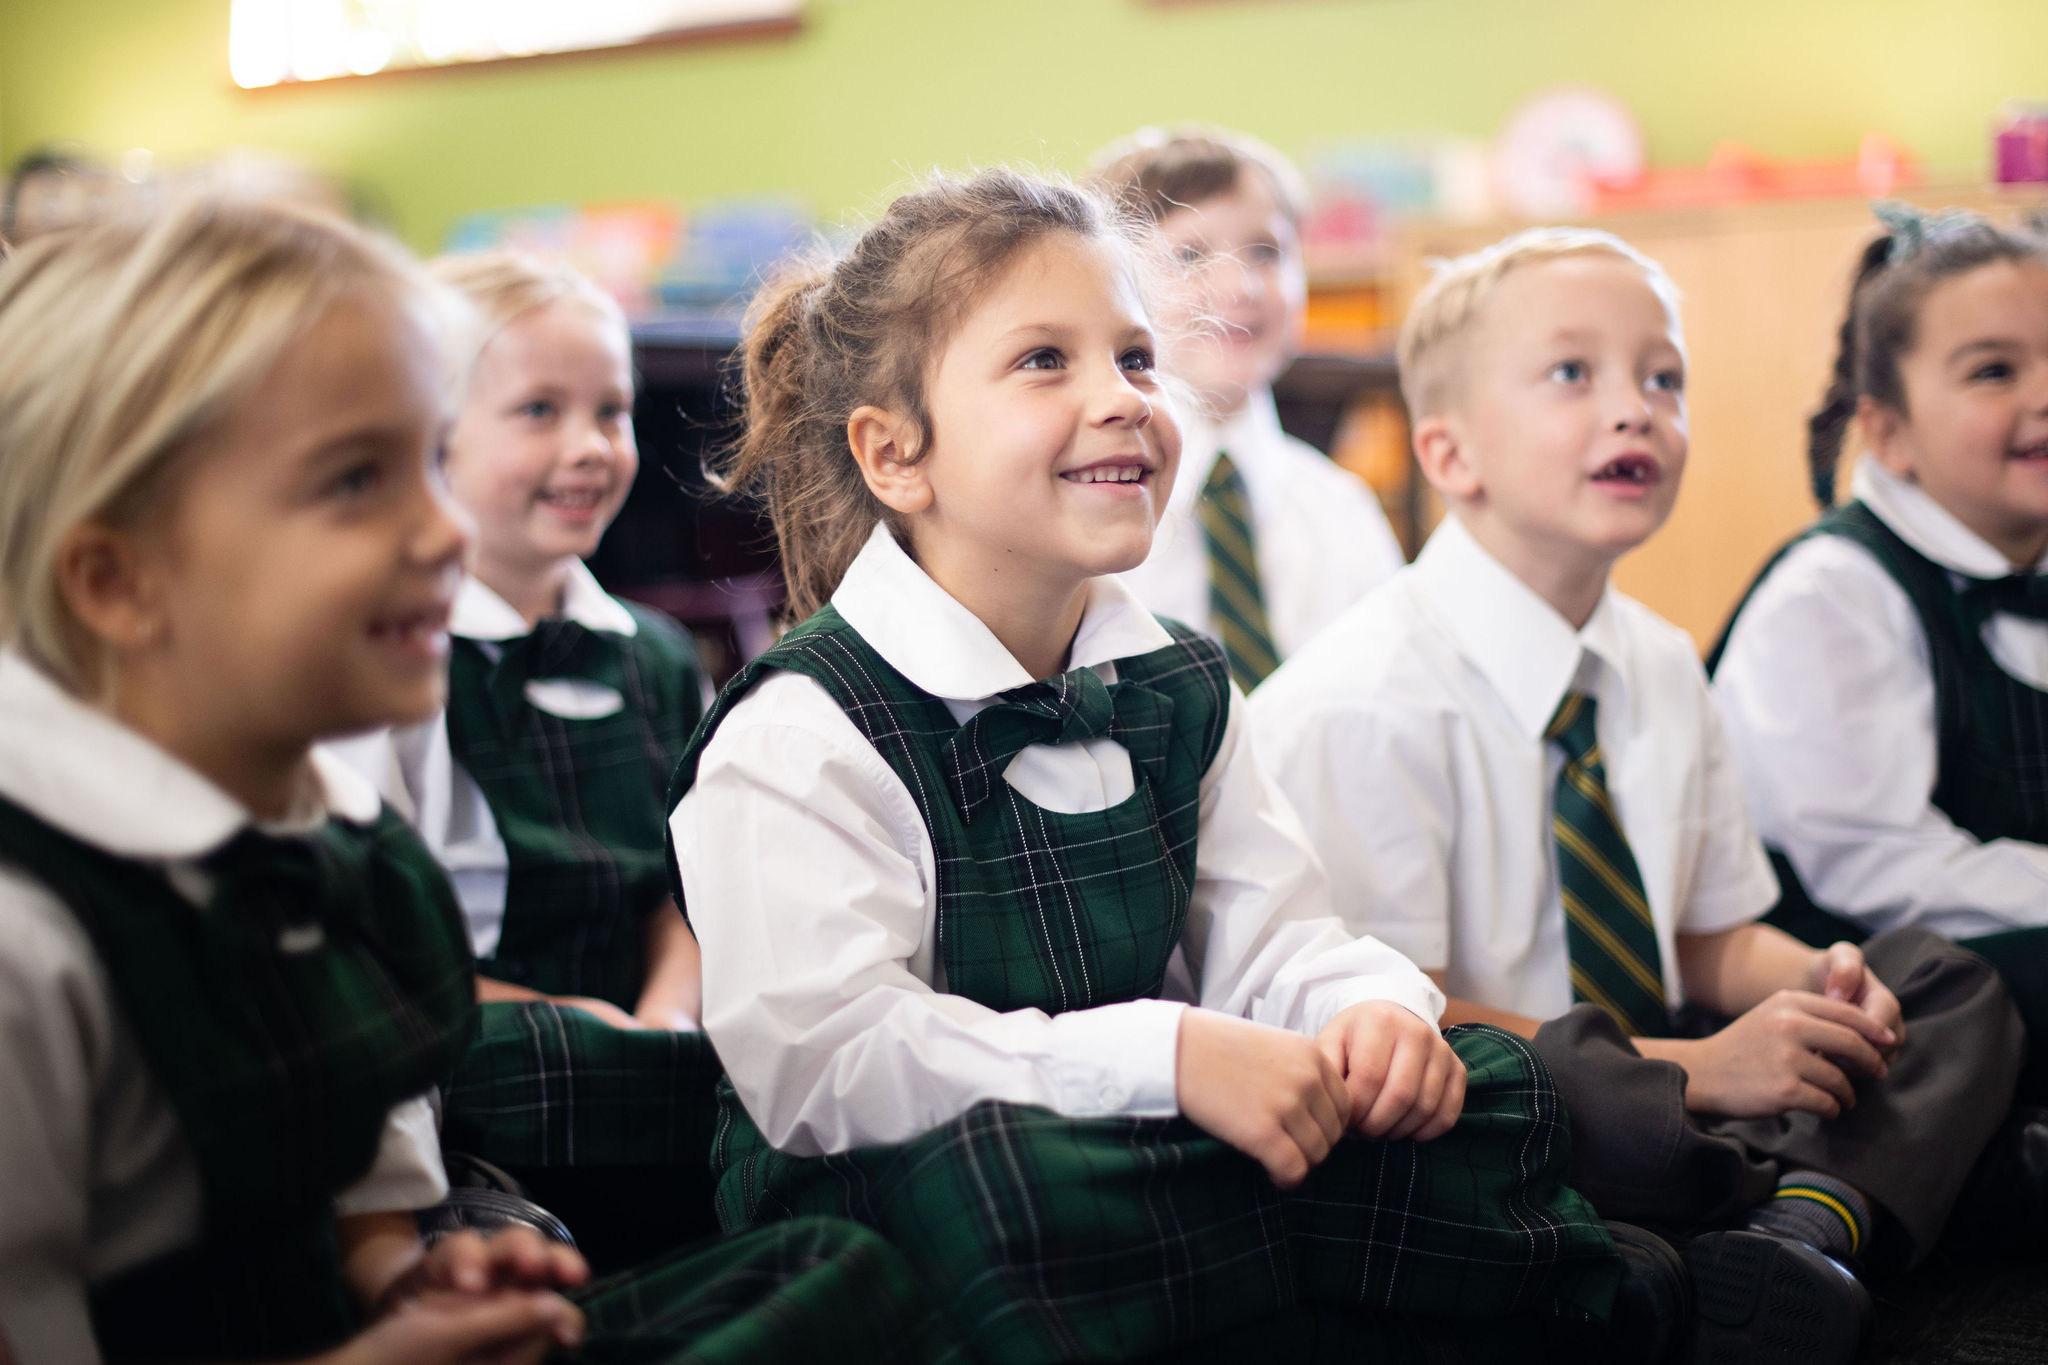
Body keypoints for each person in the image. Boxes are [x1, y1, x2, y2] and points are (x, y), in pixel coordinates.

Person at [667, 168, 1633, 1365]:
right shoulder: (800, 730)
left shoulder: (1176, 680)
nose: (1120, 399)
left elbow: (1271, 935)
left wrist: (1362, 1012)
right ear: (894, 454)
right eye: (1042, 362)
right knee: (1000, 1193)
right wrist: (1164, 1058)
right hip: (927, 1189)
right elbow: (828, 1070)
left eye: (1132, 358)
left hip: (1157, 1139)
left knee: (1484, 1080)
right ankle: (1520, 1290)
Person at [0, 194, 951, 1365]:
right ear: (116, 581)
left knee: (848, 1268)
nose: (441, 531)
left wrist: (413, 1279)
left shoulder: (338, 838)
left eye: (427, 461)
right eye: (358, 480)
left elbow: (363, 1188)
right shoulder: (31, 936)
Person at [1252, 225, 2027, 1364]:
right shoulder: (1363, 699)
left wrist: (1820, 984)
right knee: (1565, 1111)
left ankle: (1796, 1224)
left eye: (1661, 378)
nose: (1635, 410)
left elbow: (1707, 939)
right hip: (1495, 1096)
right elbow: (1393, 1026)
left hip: (1668, 1072)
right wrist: (1706, 1072)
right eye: (1573, 374)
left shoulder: (1659, 662)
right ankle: (1861, 1186)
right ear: (1451, 454)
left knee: (1949, 978)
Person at [328, 251, 720, 1262]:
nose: (589, 447)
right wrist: (575, 1015)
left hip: (645, 1019)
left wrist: (667, 1011)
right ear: (433, 432)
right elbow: (375, 947)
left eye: (611, 411)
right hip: (472, 1018)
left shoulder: (659, 654)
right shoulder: (394, 656)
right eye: (539, 411)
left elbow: (687, 889)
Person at [1710, 206, 2048, 1110]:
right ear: (1888, 433)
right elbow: (1878, 866)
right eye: (1994, 371)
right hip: (1861, 985)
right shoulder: (1835, 592)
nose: (2044, 394)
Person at [1093, 127, 1404, 692]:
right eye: (1189, 255)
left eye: (1267, 251)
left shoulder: (1343, 512)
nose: (1240, 287)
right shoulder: (1086, 511)